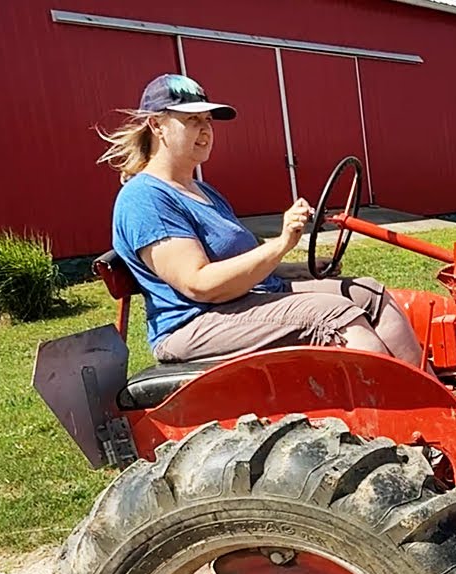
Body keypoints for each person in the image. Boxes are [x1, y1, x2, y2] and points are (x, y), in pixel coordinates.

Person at [98, 74, 421, 365]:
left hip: (239, 301)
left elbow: (237, 263)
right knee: (336, 315)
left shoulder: (201, 190)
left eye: (208, 120)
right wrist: (280, 245)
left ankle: (436, 397)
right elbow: (201, 285)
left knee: (367, 293)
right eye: (192, 120)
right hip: (195, 322)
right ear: (157, 126)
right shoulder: (146, 199)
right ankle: (404, 419)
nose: (206, 130)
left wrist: (298, 268)